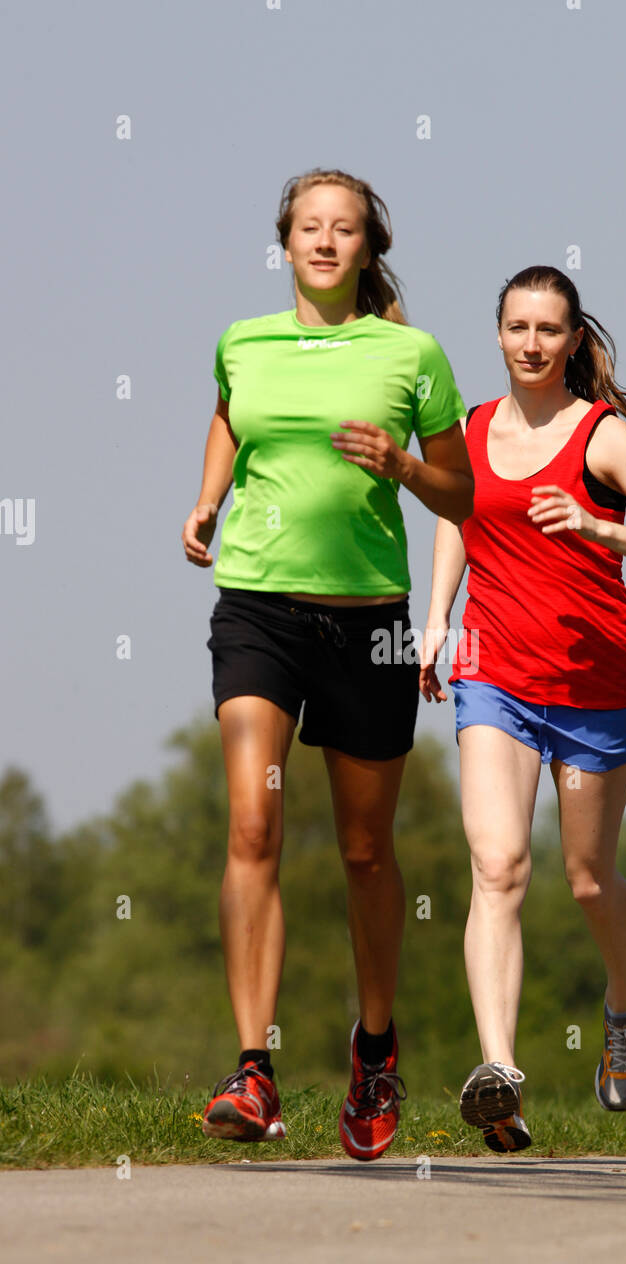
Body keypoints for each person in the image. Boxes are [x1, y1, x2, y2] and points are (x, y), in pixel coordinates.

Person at [182, 168, 471, 1161]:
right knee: (253, 822)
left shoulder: (411, 354)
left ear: (365, 248)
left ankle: (375, 1049)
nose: (325, 241)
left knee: (363, 851)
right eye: (309, 226)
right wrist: (208, 499)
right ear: (286, 240)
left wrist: (403, 468)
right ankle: (252, 1068)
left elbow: (462, 496)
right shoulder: (243, 339)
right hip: (258, 607)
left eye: (344, 228)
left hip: (372, 623)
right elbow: (229, 413)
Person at [420, 265, 626, 1152]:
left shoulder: (603, 436)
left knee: (588, 879)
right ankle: (499, 1075)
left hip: (596, 688)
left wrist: (599, 527)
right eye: (517, 328)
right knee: (498, 865)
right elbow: (454, 517)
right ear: (499, 334)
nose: (532, 344)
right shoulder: (467, 430)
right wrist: (435, 620)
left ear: (574, 339)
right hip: (493, 677)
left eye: (550, 330)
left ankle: (625, 1011)